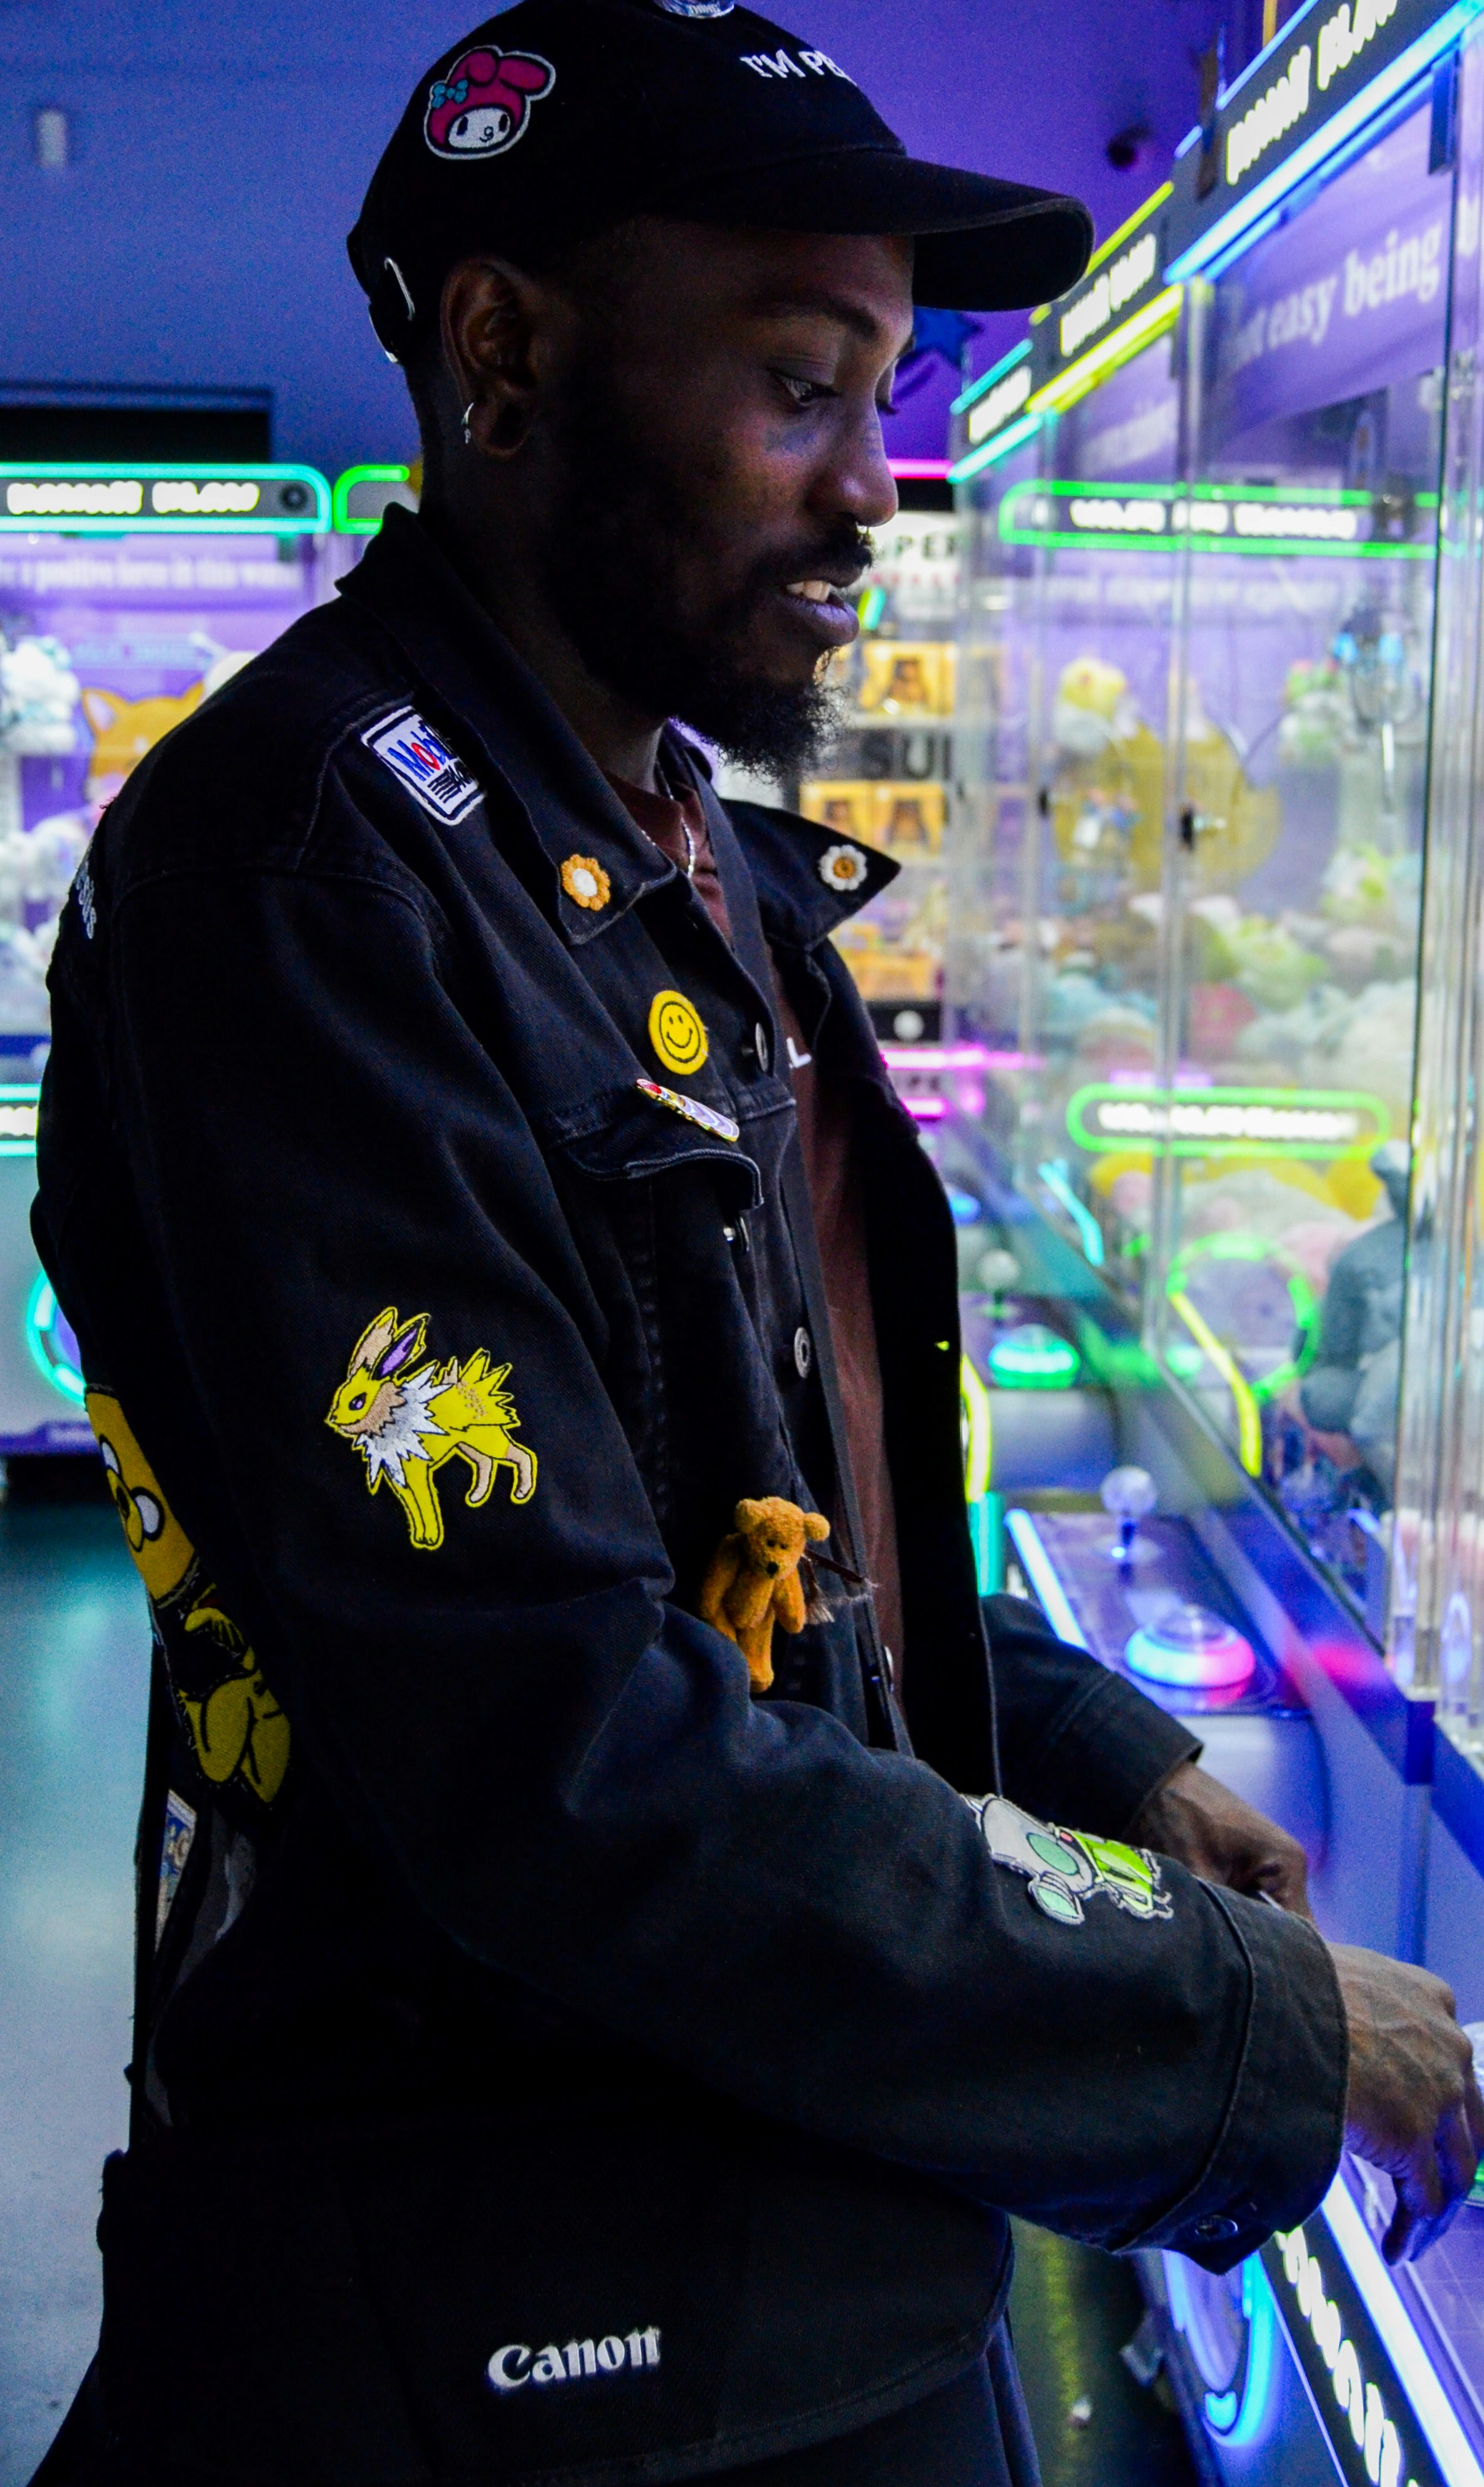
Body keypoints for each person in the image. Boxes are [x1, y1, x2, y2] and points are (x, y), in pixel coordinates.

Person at [32, 6, 1483, 2483]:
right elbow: (559, 1737)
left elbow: (794, 1496)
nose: (868, 497)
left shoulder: (689, 868)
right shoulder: (304, 875)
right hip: (527, 2322)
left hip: (808, 2229)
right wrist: (1242, 2025)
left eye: (890, 388)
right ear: (503, 352)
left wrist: (1106, 1757)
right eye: (801, 387)